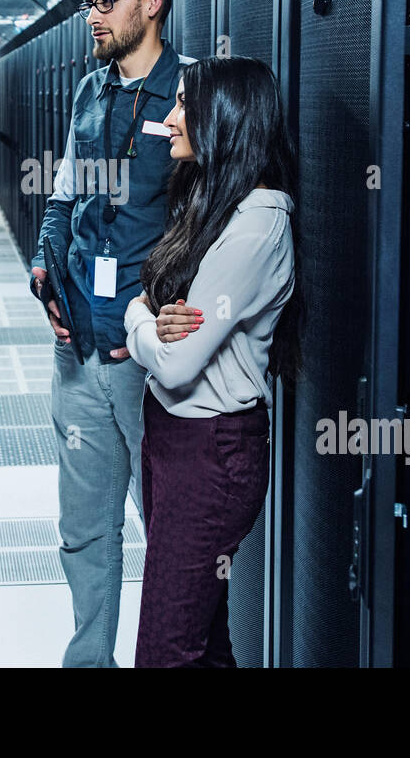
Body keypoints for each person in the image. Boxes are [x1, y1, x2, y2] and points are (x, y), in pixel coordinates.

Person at [31, 0, 196, 667]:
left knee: (170, 535)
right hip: (79, 349)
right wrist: (45, 263)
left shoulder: (194, 94)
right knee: (84, 532)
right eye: (87, 3)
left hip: (148, 357)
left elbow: (209, 219)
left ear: (150, 2)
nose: (92, 16)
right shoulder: (89, 90)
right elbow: (66, 192)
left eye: (105, 1)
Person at [124, 54, 303, 668]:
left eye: (182, 106)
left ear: (223, 119)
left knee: (166, 651)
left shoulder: (256, 227)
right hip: (176, 439)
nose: (170, 120)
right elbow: (146, 307)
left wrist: (139, 326)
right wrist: (145, 319)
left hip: (211, 452)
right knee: (202, 642)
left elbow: (174, 365)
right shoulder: (214, 201)